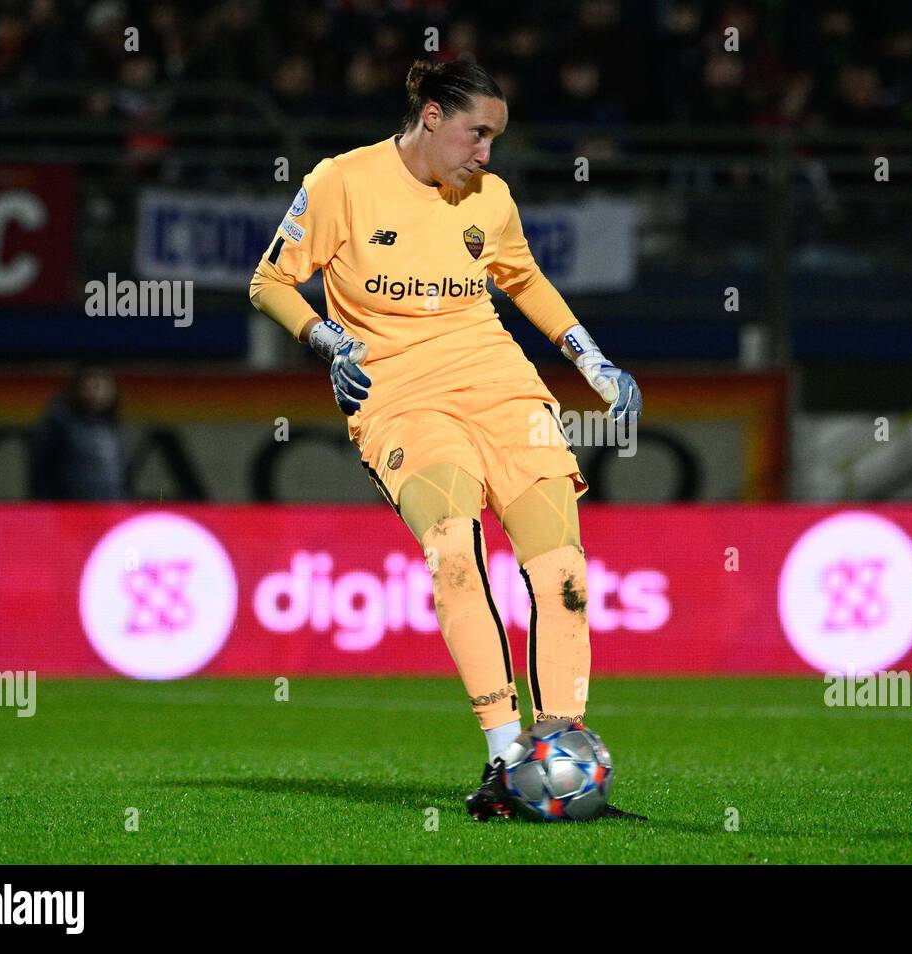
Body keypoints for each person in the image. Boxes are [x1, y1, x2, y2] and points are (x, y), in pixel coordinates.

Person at [249, 58, 644, 820]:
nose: (487, 153)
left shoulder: (490, 198)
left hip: (502, 384)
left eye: (495, 137)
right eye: (477, 134)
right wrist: (329, 341)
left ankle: (558, 759)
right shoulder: (343, 182)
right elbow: (271, 281)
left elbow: (523, 279)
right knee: (456, 556)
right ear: (431, 116)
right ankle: (506, 764)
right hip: (399, 396)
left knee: (563, 570)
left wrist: (590, 359)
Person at [28, 364, 130, 501]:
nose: (98, 388)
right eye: (92, 380)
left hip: (113, 510)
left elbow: (124, 477)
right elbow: (41, 474)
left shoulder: (113, 426)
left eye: (104, 381)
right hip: (73, 512)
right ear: (77, 385)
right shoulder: (60, 422)